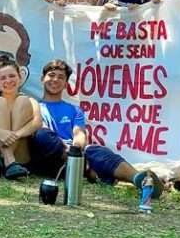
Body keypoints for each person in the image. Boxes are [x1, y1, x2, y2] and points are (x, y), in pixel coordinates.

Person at [26, 59, 163, 206]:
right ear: (42, 79)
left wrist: (75, 150)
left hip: (74, 159)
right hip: (48, 158)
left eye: (61, 77)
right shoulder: (33, 105)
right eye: (51, 75)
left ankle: (140, 179)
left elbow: (80, 134)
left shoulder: (74, 110)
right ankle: (87, 170)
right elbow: (38, 130)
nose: (55, 80)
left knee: (96, 150)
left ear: (66, 84)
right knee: (43, 136)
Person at [0, 59, 43, 179]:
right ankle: (9, 162)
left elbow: (37, 123)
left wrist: (15, 135)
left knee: (22, 101)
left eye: (12, 76)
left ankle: (7, 161)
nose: (8, 81)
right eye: (3, 78)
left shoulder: (30, 101)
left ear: (20, 77)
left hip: (19, 155)